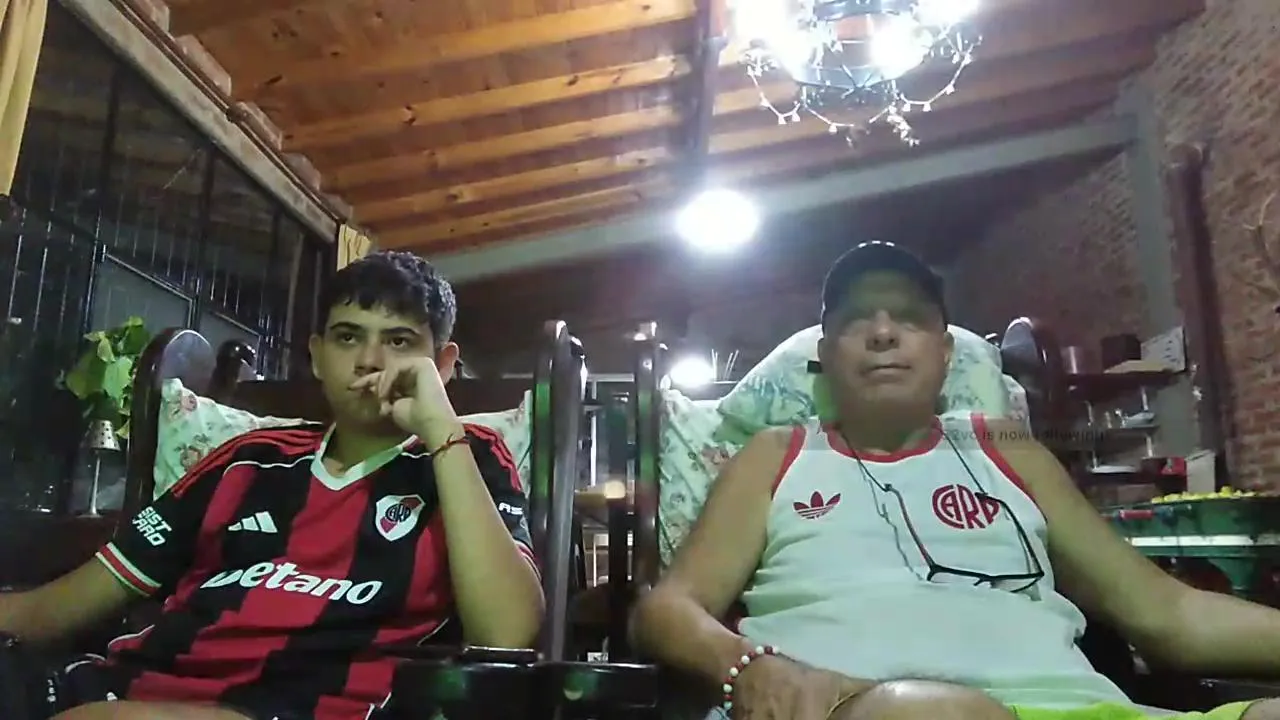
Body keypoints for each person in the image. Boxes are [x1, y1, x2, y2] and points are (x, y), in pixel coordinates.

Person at [630, 241, 1280, 720]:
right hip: (868, 708)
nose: (882, 333)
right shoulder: (777, 453)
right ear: (823, 359)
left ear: (946, 354)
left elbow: (1168, 615)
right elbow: (668, 609)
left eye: (909, 317)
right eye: (855, 320)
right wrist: (747, 668)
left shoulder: (1008, 449)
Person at [0, 251, 544, 720]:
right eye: (348, 337)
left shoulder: (469, 459)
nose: (370, 361)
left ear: (442, 364)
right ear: (318, 355)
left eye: (399, 341)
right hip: (116, 688)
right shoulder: (248, 460)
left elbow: (507, 635)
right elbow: (55, 608)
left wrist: (443, 431)